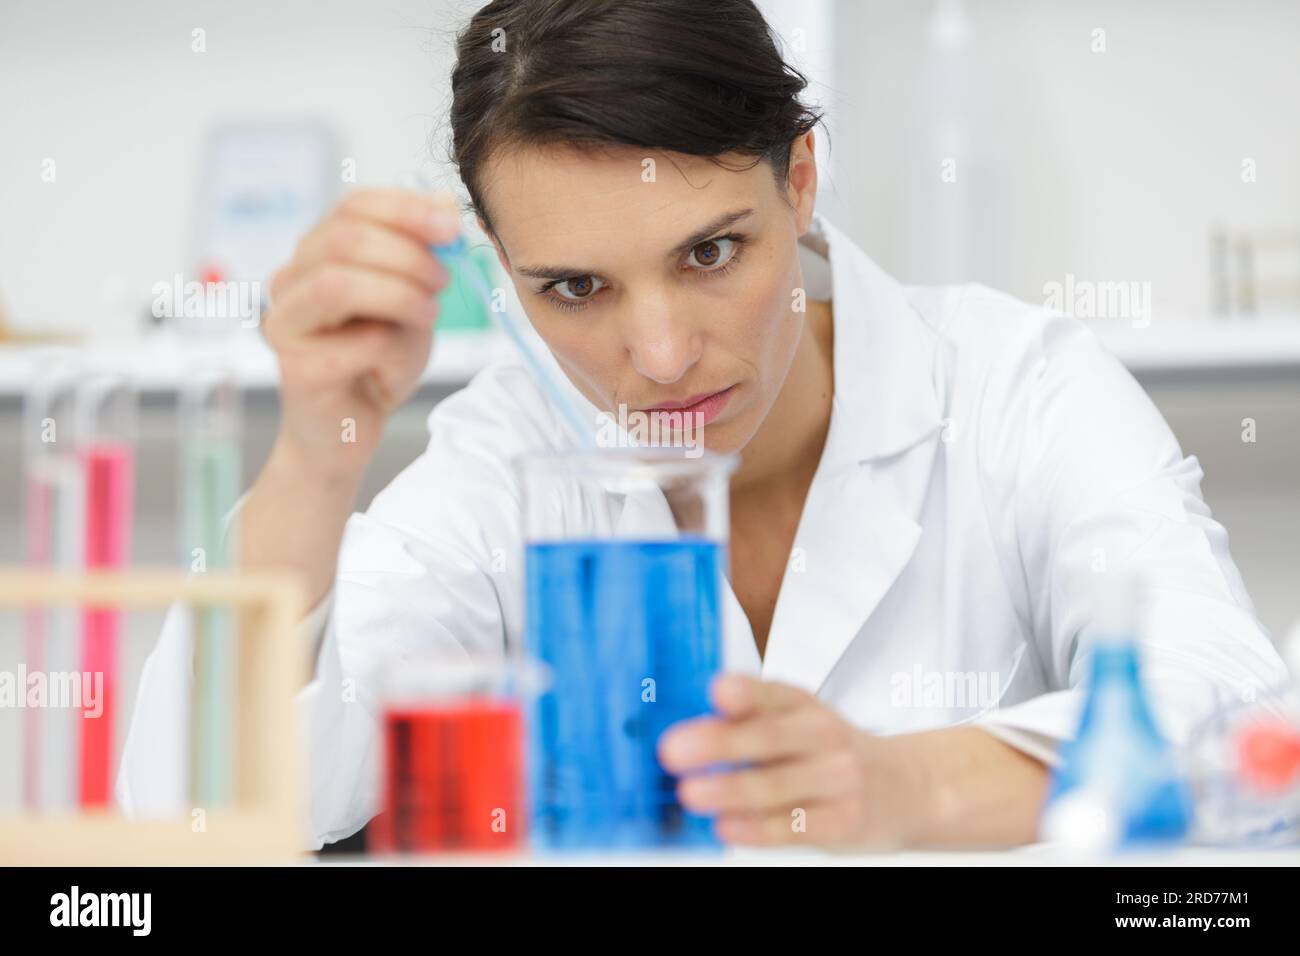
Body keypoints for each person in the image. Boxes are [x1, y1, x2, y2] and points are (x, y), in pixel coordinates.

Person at [119, 0, 1292, 851]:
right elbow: (196, 814)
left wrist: (902, 790)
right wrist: (315, 452)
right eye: (575, 287)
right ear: (501, 267)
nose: (664, 354)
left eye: (711, 250)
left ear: (801, 181)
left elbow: (1239, 720)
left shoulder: (1013, 388)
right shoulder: (507, 455)